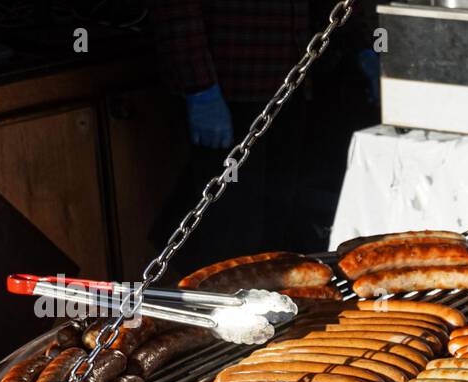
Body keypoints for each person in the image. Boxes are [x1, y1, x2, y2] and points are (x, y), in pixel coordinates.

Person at [150, 1, 378, 267]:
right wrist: (199, 88)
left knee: (279, 224)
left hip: (292, 89)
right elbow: (175, 10)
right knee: (229, 229)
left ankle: (275, 301)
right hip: (231, 97)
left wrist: (363, 46)